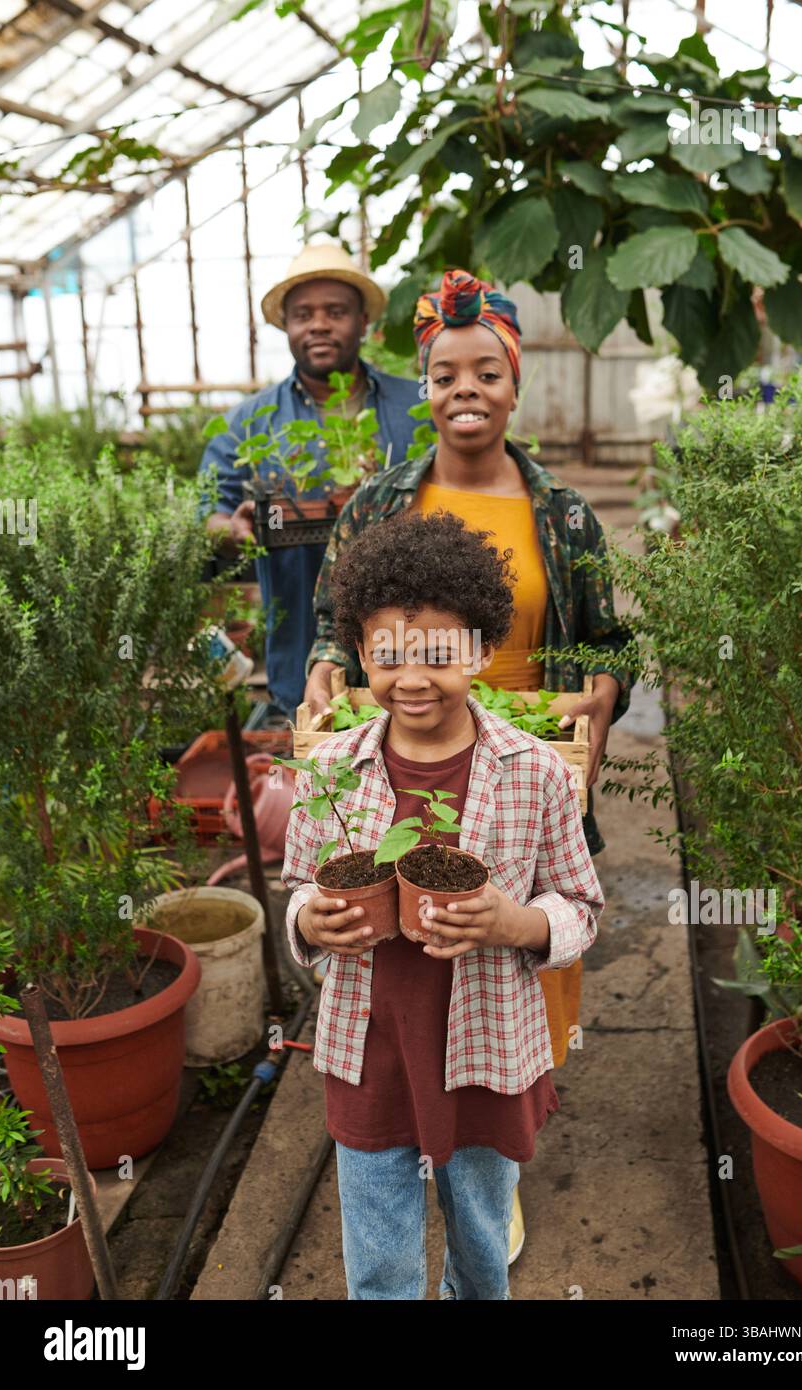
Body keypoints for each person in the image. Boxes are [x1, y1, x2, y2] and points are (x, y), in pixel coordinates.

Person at [302, 268, 634, 1259]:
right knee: (403, 956)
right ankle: (402, 1135)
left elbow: (612, 641)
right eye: (444, 374)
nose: (465, 391)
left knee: (513, 956)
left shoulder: (564, 513)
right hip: (404, 746)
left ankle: (492, 1149)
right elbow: (332, 625)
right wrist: (327, 675)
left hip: (523, 754)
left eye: (485, 372)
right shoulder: (380, 504)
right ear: (424, 383)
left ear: (512, 381)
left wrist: (600, 696)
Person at [282, 509, 604, 1300]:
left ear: (484, 652)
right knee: (381, 1257)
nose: (412, 677)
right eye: (388, 655)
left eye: (438, 654)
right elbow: (298, 885)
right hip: (370, 1047)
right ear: (360, 653)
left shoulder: (536, 772)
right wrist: (306, 921)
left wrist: (514, 921)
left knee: (482, 1244)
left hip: (488, 1049)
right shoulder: (331, 768)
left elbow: (581, 907)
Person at [199, 243, 421, 717]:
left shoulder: (415, 408)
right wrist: (232, 530)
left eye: (335, 311)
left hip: (418, 659)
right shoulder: (249, 422)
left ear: (364, 321)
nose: (318, 324)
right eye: (303, 314)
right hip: (298, 649)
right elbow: (207, 514)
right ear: (286, 326)